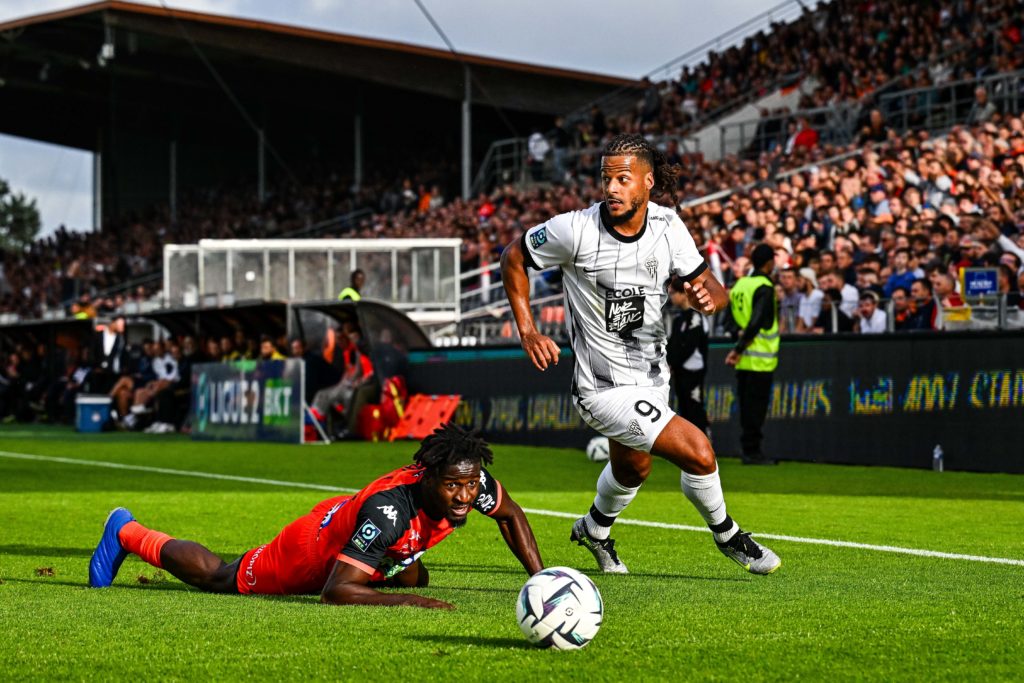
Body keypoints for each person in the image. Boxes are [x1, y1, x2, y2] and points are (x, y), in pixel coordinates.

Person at [500, 133, 780, 576]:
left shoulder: (669, 226)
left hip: (652, 377)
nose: (611, 188)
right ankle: (728, 535)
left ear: (647, 182)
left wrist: (710, 298)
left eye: (623, 179)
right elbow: (512, 257)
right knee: (699, 452)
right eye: (606, 178)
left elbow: (715, 290)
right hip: (601, 388)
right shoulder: (573, 229)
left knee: (633, 468)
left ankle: (594, 529)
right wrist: (528, 329)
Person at [88, 423, 544, 608]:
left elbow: (512, 516)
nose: (465, 496)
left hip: (353, 521)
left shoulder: (467, 478)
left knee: (414, 576)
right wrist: (412, 604)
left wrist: (541, 579)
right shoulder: (388, 513)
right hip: (311, 552)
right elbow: (336, 591)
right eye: (452, 486)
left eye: (470, 484)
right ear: (427, 477)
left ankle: (398, 563)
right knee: (221, 577)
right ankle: (127, 531)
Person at [726, 244, 779, 465]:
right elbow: (756, 322)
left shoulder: (740, 285)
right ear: (769, 263)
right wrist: (738, 350)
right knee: (756, 409)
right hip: (759, 359)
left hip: (743, 361)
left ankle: (748, 449)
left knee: (747, 408)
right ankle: (753, 452)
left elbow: (729, 321)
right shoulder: (765, 286)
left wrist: (736, 344)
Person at [666, 277, 710, 438]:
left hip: (694, 371)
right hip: (680, 371)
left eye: (673, 293)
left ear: (684, 294)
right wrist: (670, 363)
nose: (671, 297)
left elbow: (690, 346)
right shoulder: (679, 319)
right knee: (684, 408)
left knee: (694, 406)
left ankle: (704, 440)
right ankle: (690, 444)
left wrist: (674, 362)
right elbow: (672, 344)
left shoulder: (696, 318)